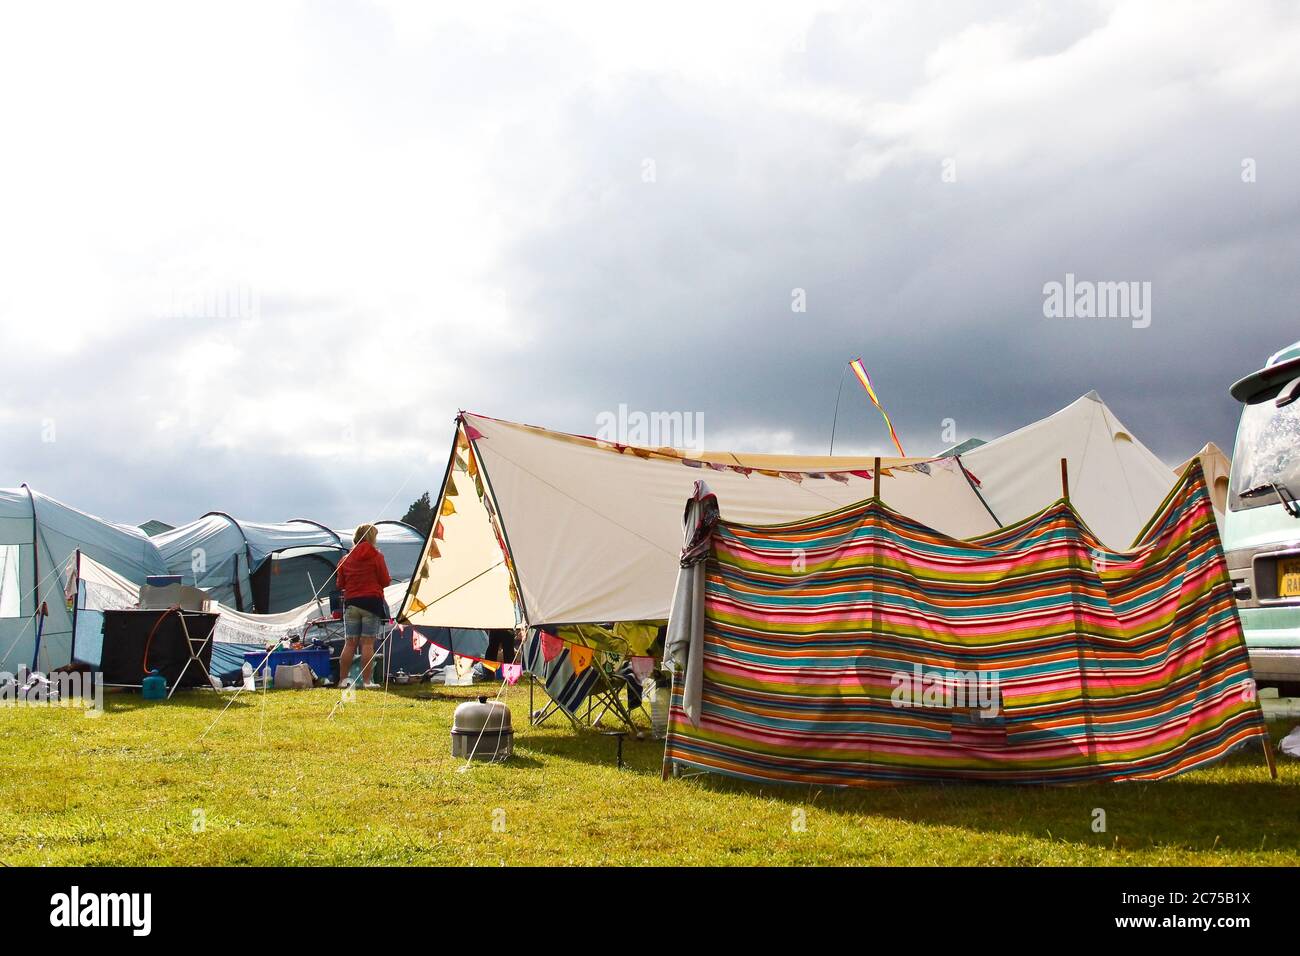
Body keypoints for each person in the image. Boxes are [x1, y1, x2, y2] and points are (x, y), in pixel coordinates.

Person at [335, 524, 391, 689]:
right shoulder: (377, 556)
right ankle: (367, 681)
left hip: (351, 603)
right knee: (367, 644)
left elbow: (340, 583)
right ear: (372, 538)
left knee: (350, 643)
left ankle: (343, 680)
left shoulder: (346, 558)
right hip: (371, 603)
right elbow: (385, 581)